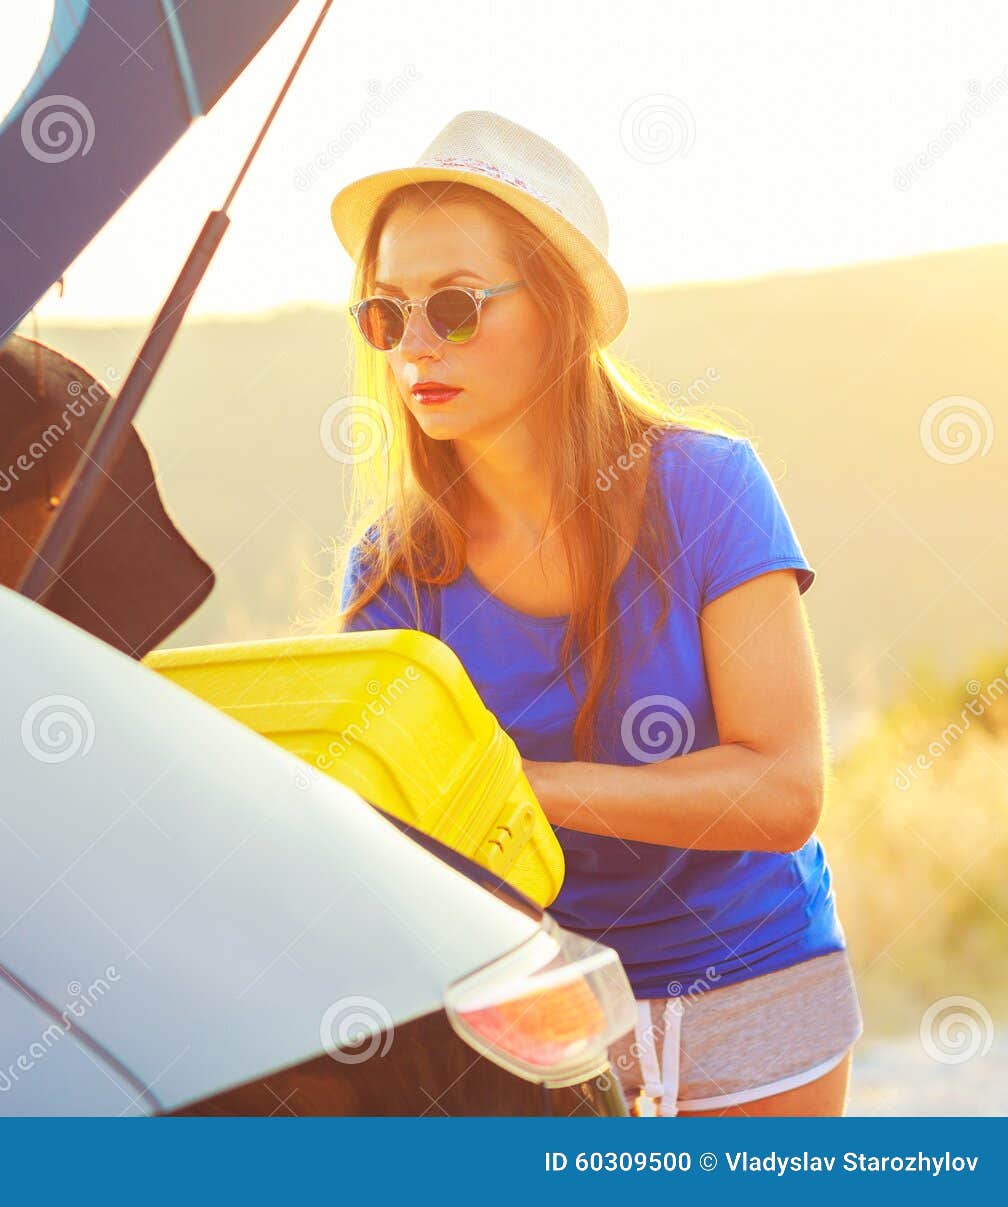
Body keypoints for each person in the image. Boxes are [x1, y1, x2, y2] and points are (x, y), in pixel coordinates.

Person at [330, 111, 861, 1116]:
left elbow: (783, 788)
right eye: (383, 313)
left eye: (452, 306)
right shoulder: (390, 569)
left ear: (560, 311)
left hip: (754, 985)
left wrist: (517, 787)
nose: (411, 348)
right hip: (537, 1017)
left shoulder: (707, 487)